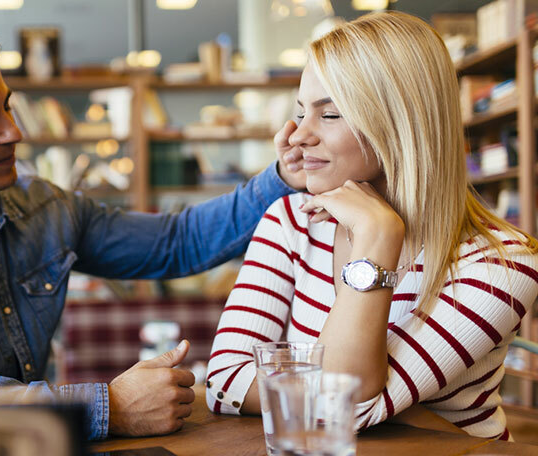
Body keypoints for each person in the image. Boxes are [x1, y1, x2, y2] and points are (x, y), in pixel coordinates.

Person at [0, 11, 304, 441]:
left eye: (7, 105)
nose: (14, 131)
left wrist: (283, 176)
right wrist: (103, 407)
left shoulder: (44, 207)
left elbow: (178, 242)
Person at [206, 11, 538, 441]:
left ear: (400, 125)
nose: (296, 136)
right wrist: (384, 408)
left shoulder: (502, 265)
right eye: (302, 111)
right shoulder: (289, 223)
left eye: (329, 115)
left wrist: (377, 238)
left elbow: (341, 407)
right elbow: (223, 382)